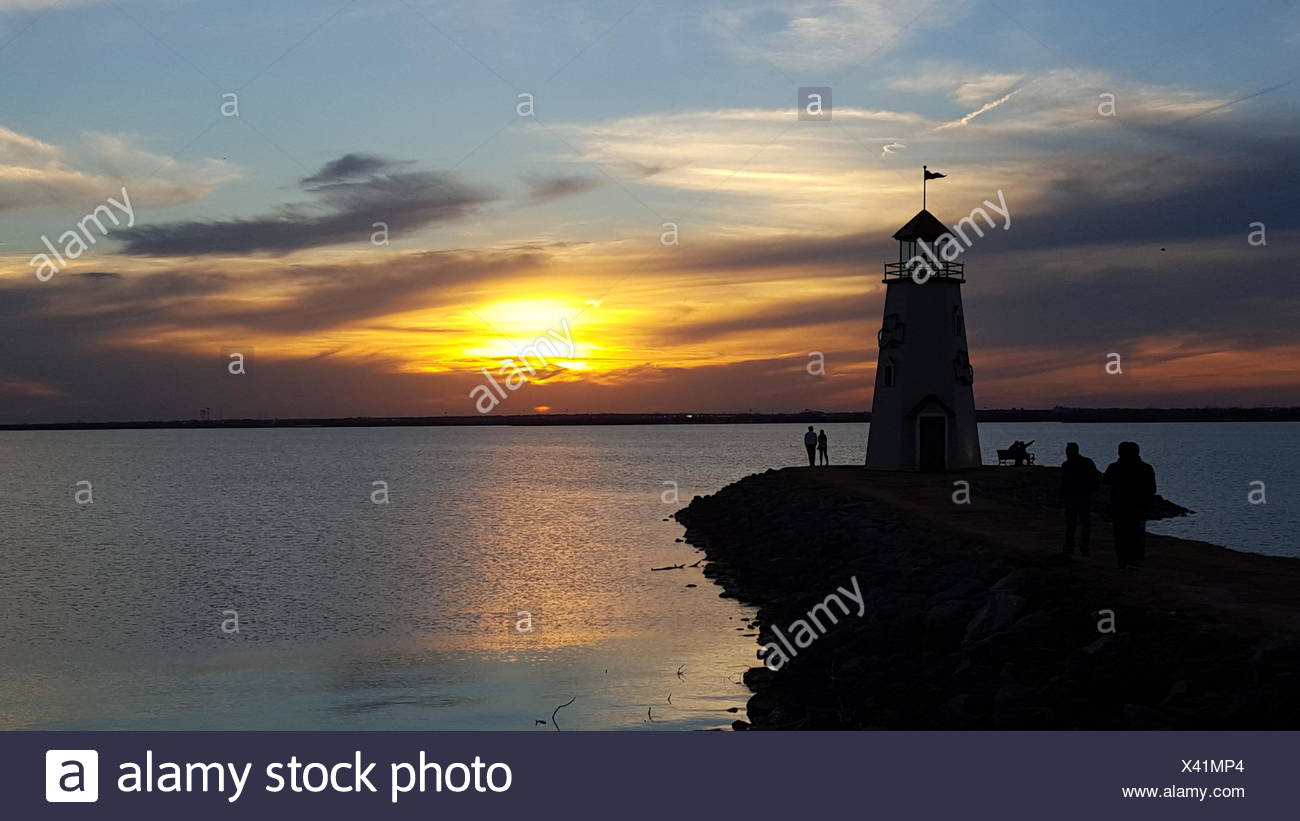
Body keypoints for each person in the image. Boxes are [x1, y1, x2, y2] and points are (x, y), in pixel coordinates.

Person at [1103, 441, 1157, 569]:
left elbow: (1106, 482)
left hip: (1122, 506)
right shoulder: (1145, 468)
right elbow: (1152, 489)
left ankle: (1124, 560)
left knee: (1121, 534)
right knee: (1136, 534)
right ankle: (1133, 559)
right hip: (1136, 507)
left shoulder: (1114, 467)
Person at [1060, 442, 1100, 556]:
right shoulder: (1087, 463)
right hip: (1082, 497)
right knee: (1082, 523)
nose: (1067, 453)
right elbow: (1095, 479)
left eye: (1068, 451)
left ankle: (1072, 546)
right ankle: (1081, 546)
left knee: (1073, 523)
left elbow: (1064, 482)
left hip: (1076, 497)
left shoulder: (1067, 465)